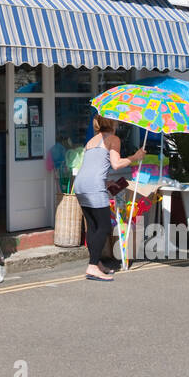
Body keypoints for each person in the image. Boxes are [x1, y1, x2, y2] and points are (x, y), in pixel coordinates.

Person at [73, 116, 146, 281]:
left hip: (80, 185)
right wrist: (136, 156)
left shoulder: (91, 141)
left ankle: (96, 263)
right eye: (116, 121)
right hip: (94, 186)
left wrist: (107, 182)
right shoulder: (113, 139)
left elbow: (92, 167)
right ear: (111, 123)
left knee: (92, 226)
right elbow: (116, 164)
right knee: (104, 226)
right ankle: (92, 266)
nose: (118, 123)